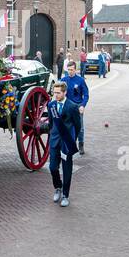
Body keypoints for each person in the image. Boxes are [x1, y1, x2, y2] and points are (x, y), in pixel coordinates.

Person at [46, 80, 82, 208]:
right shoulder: (51, 105)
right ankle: (58, 187)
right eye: (54, 93)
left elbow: (78, 126)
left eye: (58, 93)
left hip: (67, 143)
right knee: (52, 167)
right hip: (55, 141)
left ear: (65, 92)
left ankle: (66, 195)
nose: (56, 95)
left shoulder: (72, 106)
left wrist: (72, 139)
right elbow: (51, 123)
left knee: (67, 170)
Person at [62, 58, 89, 154]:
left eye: (72, 70)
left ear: (75, 69)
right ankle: (69, 145)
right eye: (68, 69)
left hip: (78, 106)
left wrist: (83, 105)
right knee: (66, 126)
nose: (70, 71)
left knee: (80, 127)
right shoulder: (63, 80)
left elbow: (86, 95)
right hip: (67, 107)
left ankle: (81, 145)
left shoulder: (81, 80)